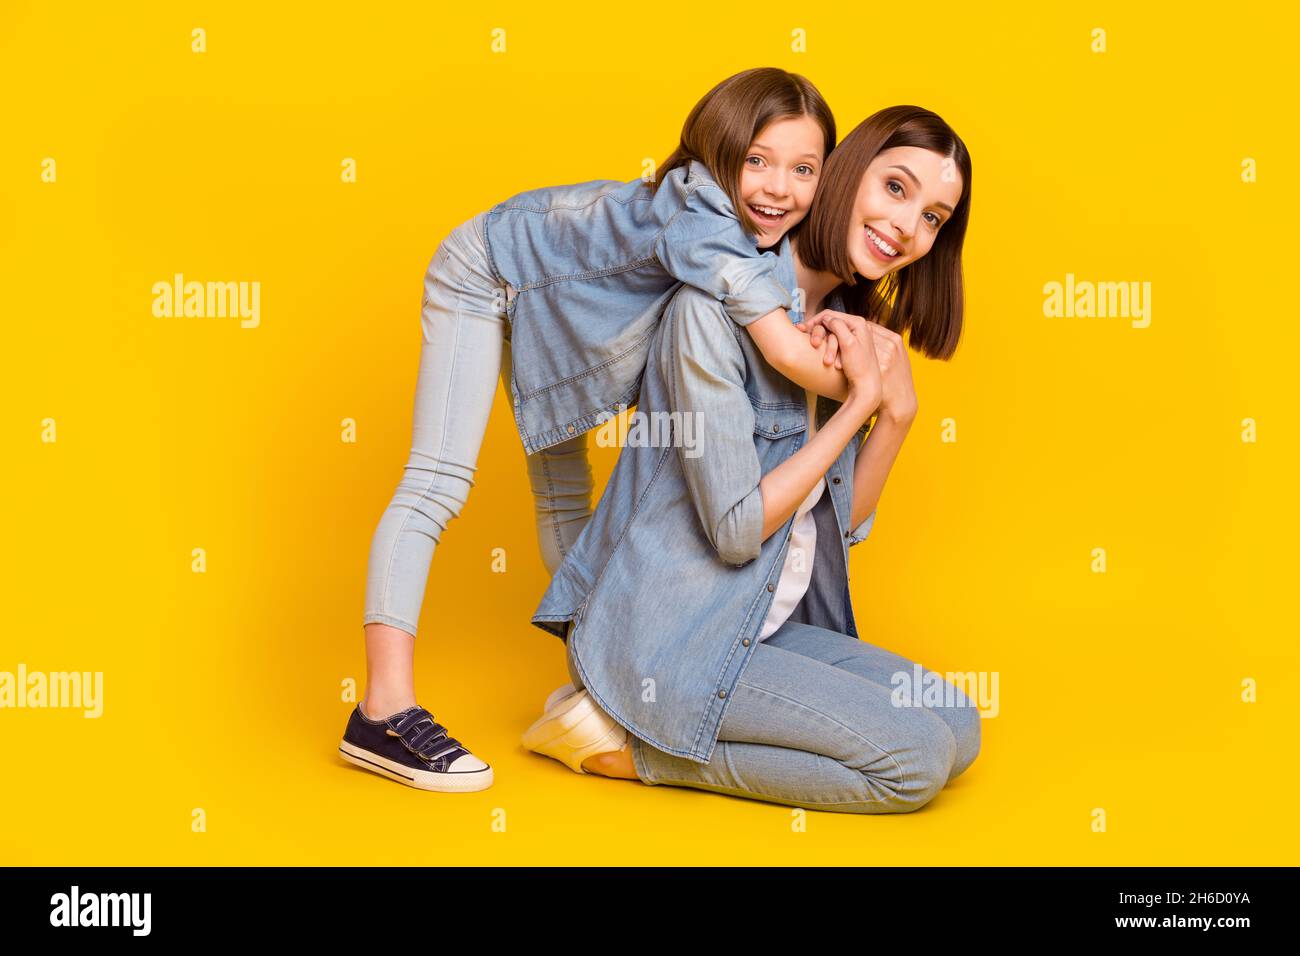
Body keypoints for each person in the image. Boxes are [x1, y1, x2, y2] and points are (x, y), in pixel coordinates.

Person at [339, 68, 860, 792]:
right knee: (436, 484)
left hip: (557, 309)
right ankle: (381, 712)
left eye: (805, 169)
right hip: (487, 271)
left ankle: (598, 688)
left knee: (564, 501)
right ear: (717, 153)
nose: (780, 188)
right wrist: (879, 387)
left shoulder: (760, 241)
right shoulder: (704, 217)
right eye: (758, 161)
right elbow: (782, 349)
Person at [522, 106, 981, 813]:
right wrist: (859, 405)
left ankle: (671, 732)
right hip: (670, 640)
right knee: (913, 763)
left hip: (764, 622)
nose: (909, 227)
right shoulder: (709, 313)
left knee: (958, 726)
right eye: (896, 188)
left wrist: (897, 415)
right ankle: (625, 743)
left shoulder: (839, 329)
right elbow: (737, 530)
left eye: (934, 217)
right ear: (845, 171)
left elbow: (837, 525)